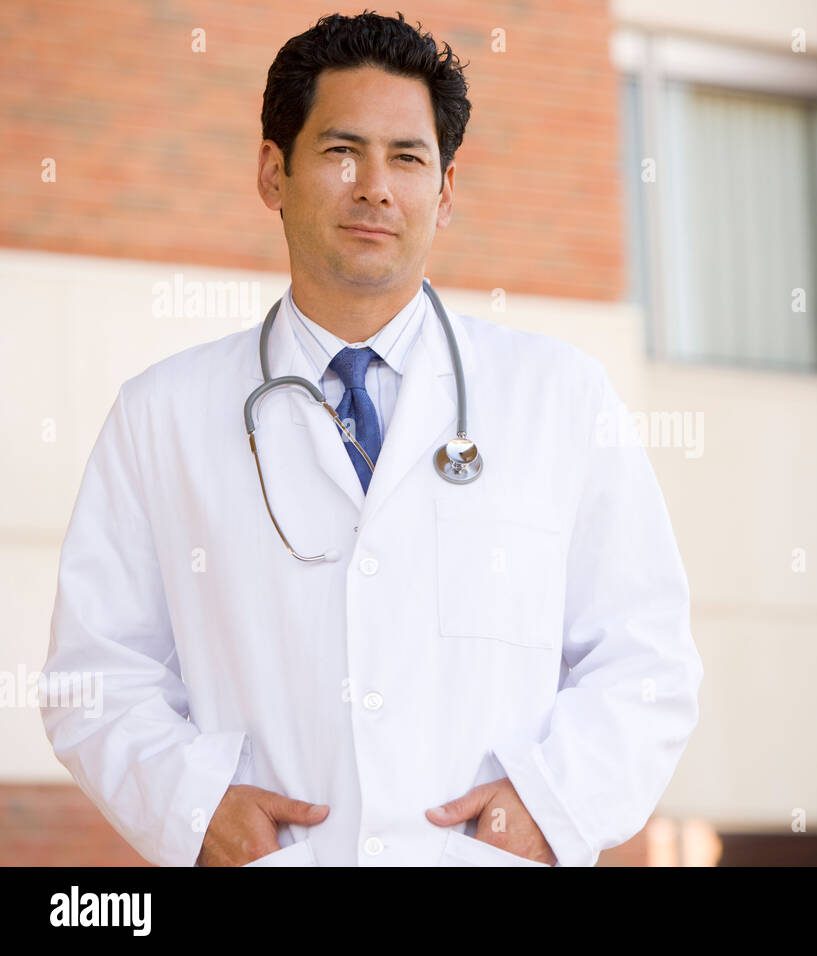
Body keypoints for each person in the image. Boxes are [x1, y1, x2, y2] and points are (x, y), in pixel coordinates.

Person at [39, 11, 702, 867]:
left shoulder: (561, 399)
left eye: (409, 158)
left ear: (446, 191)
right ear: (273, 173)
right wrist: (195, 809)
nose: (376, 187)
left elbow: (646, 661)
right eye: (341, 151)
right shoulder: (160, 416)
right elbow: (96, 673)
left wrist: (550, 807)